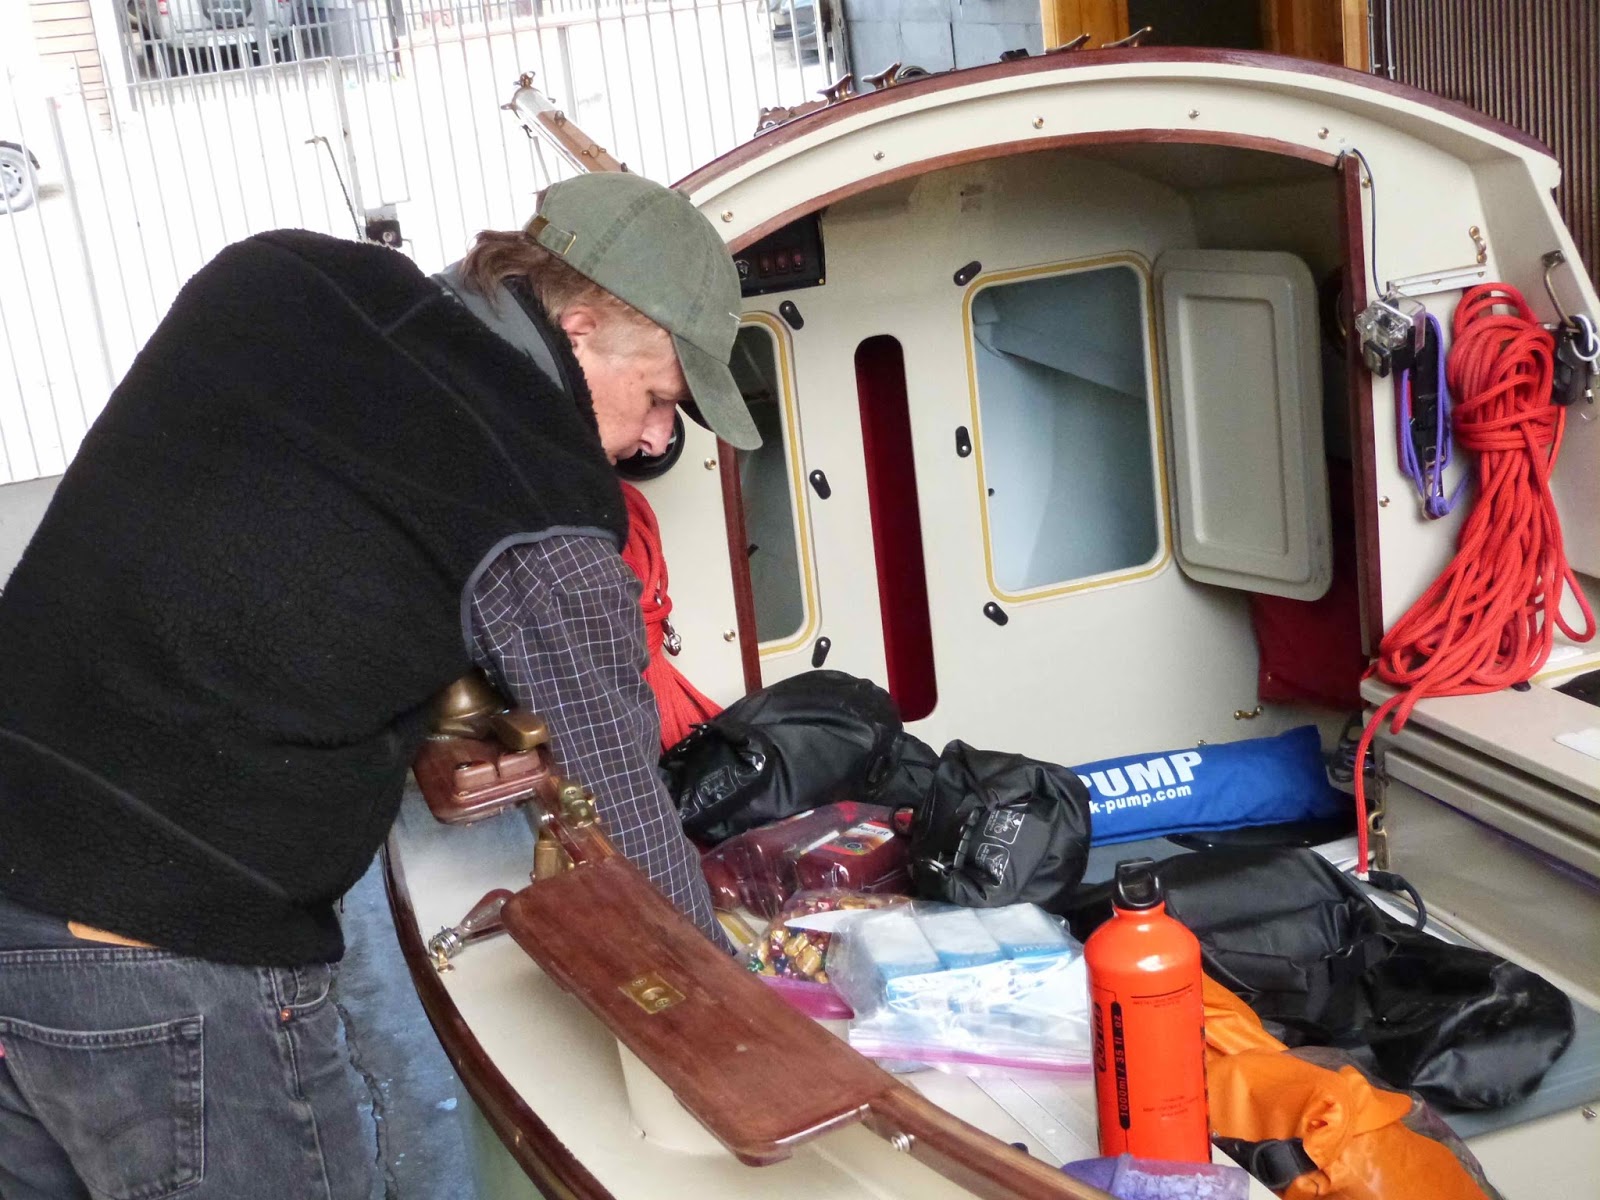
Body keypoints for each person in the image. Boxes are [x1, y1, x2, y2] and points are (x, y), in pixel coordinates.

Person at [0, 171, 760, 1199]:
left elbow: (293, 556)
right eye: (660, 398)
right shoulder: (543, 497)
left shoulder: (280, 276)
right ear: (580, 327)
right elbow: (620, 797)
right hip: (171, 951)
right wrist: (738, 1017)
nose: (660, 439)